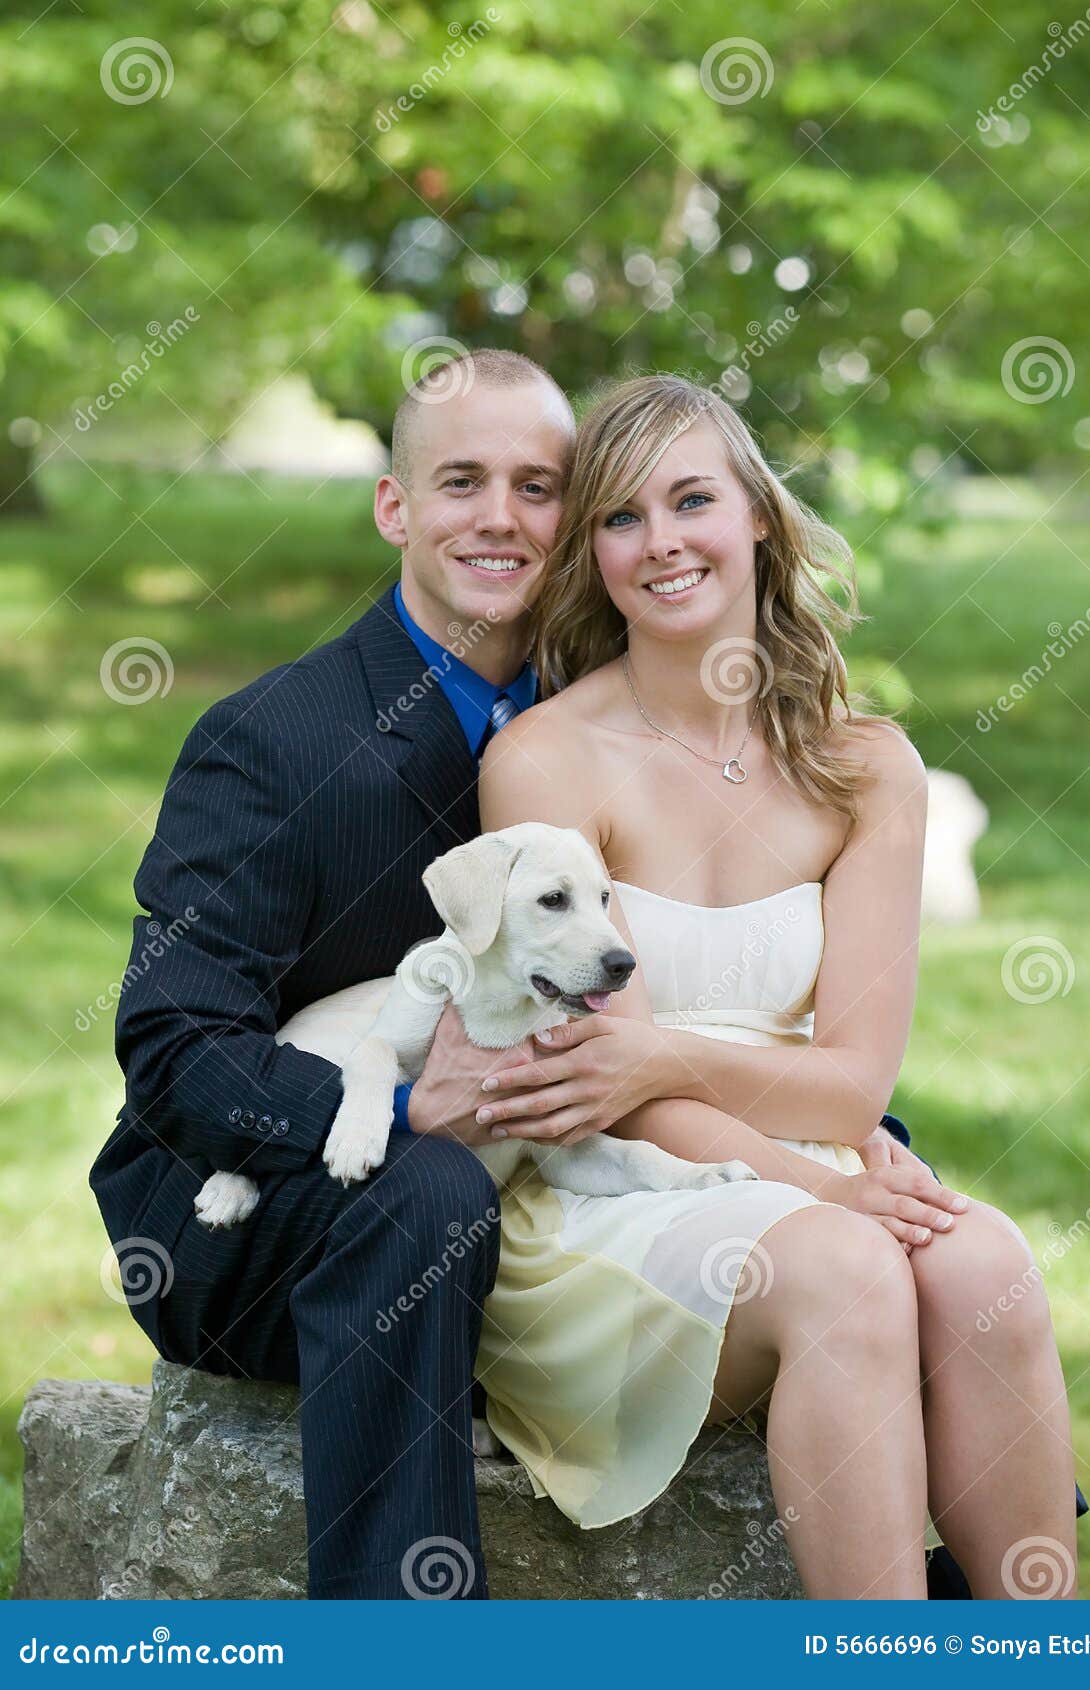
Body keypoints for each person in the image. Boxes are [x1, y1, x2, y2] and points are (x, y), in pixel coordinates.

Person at [466, 373, 1085, 1600]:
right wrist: (814, 1184)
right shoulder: (544, 760)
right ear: (591, 553)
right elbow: (612, 1093)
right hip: (613, 1195)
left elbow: (856, 1076)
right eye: (619, 518)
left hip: (807, 1150)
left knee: (985, 1264)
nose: (661, 543)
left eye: (690, 499)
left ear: (754, 512)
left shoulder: (867, 768)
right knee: (847, 1267)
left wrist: (698, 1073)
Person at [89, 349, 582, 1599]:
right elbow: (175, 1045)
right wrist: (412, 1108)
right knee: (422, 1191)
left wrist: (855, 1140)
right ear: (393, 507)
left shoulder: (601, 723)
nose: (499, 516)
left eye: (537, 485)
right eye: (460, 479)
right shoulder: (275, 737)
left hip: (548, 1151)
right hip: (239, 1195)